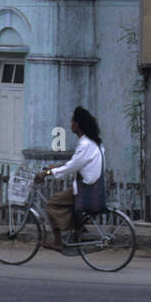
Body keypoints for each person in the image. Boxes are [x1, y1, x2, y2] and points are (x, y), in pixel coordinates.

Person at [36, 107, 104, 250]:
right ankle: (78, 230)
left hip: (85, 187)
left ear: (78, 124)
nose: (70, 124)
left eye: (72, 121)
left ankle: (58, 241)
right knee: (66, 205)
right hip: (90, 185)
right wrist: (57, 166)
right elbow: (77, 162)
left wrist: (48, 173)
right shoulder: (91, 142)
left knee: (52, 204)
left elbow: (73, 165)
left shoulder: (85, 144)